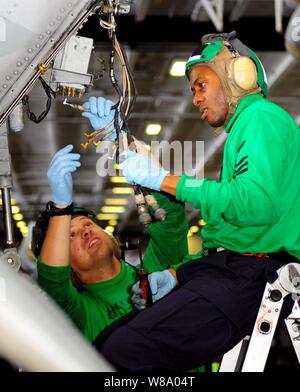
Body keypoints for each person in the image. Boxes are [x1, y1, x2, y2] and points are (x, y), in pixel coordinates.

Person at [98, 31, 300, 371]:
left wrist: (162, 180)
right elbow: (230, 233)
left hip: (252, 275)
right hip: (231, 270)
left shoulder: (260, 118)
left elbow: (253, 204)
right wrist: (179, 274)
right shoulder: (244, 129)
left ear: (238, 76)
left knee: (123, 351)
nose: (195, 99)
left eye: (200, 85)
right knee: (106, 345)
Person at [34, 99, 190, 345]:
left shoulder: (158, 273)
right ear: (68, 267)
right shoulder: (79, 313)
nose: (85, 231)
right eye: (70, 236)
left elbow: (170, 218)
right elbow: (52, 280)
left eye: (87, 224)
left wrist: (119, 139)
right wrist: (60, 208)